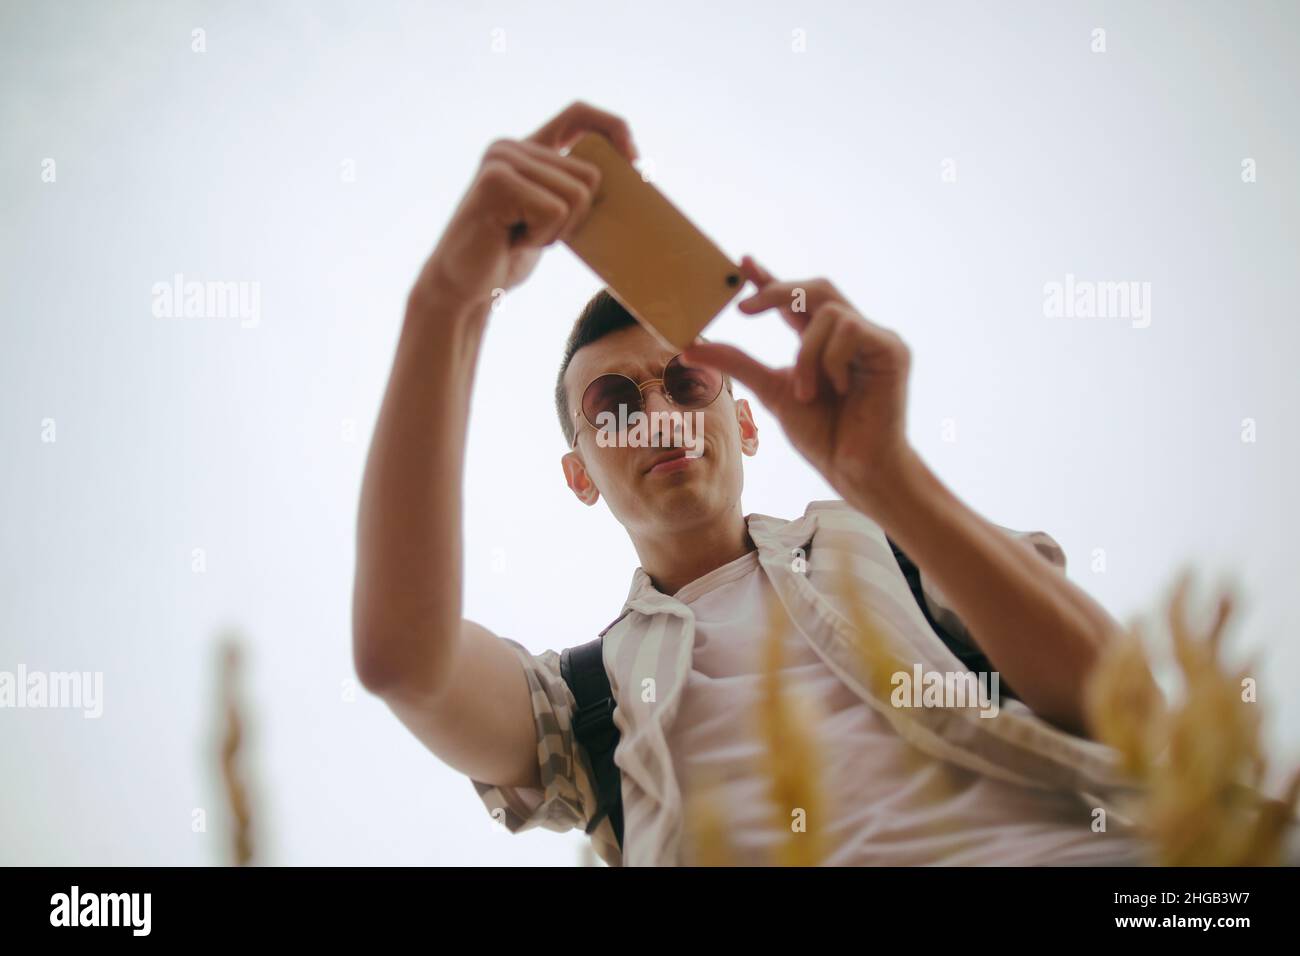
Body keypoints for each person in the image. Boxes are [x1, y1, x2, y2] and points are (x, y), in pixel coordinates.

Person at [352, 100, 1151, 867]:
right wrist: (445, 301)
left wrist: (889, 480)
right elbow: (404, 663)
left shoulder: (893, 551)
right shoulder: (585, 699)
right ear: (579, 475)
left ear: (744, 424)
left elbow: (1131, 709)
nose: (659, 414)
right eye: (615, 403)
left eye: (688, 384)